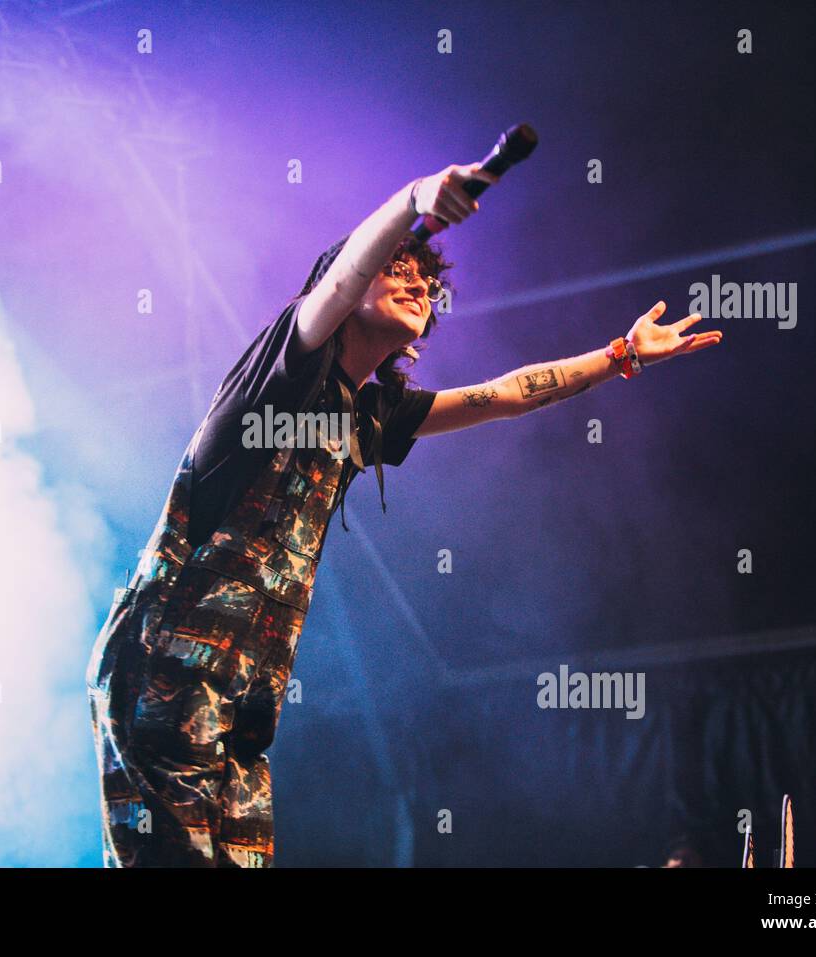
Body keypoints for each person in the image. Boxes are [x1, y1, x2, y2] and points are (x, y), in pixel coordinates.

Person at [86, 162, 723, 868]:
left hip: (240, 701)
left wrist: (622, 355)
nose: (421, 283)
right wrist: (417, 201)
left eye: (427, 278)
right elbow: (337, 279)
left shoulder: (371, 412)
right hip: (167, 662)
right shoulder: (288, 367)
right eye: (399, 267)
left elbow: (505, 394)